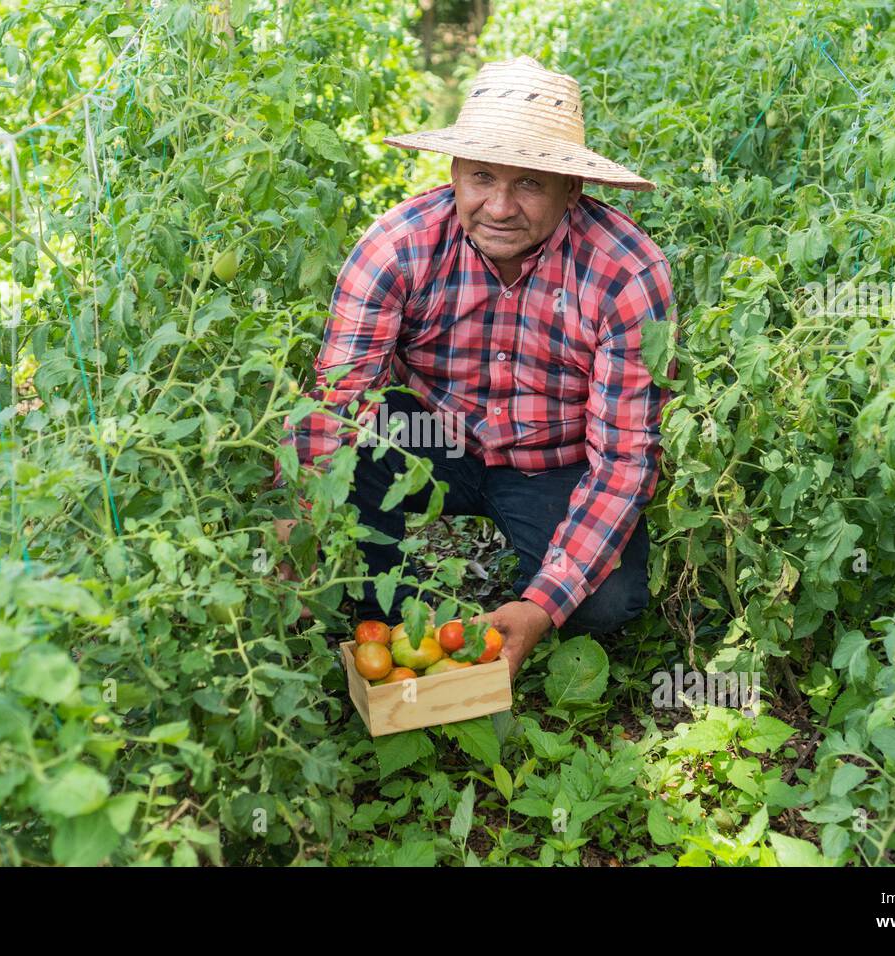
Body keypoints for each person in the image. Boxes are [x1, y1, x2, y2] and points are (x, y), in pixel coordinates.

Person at [272, 56, 678, 681]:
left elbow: (625, 459)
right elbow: (336, 402)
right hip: (436, 438)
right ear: (455, 172)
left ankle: (520, 607)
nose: (500, 206)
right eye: (483, 176)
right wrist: (300, 523)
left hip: (556, 459)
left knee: (606, 602)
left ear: (573, 189)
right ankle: (383, 607)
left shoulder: (626, 273)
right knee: (357, 455)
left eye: (531, 183)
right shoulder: (397, 248)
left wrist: (542, 605)